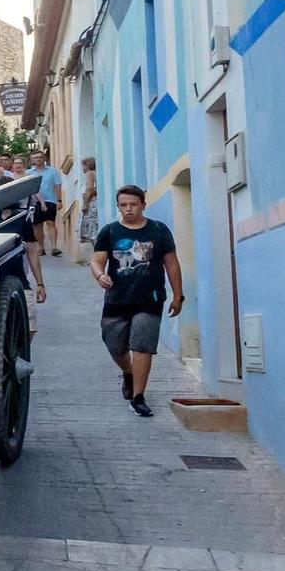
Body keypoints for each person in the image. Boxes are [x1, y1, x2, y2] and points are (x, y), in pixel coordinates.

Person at [91, 184, 183, 417]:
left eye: (133, 204)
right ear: (118, 207)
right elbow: (97, 261)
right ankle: (128, 372)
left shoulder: (159, 231)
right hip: (117, 298)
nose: (129, 209)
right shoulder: (109, 232)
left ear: (143, 204)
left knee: (142, 345)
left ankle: (138, 396)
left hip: (149, 298)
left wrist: (177, 295)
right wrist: (100, 275)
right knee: (115, 345)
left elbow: (171, 263)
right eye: (123, 205)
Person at [30, 152, 63, 255]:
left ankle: (54, 247)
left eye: (40, 157)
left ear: (44, 158)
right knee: (37, 225)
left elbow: (58, 186)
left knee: (50, 222)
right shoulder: (29, 173)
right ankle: (41, 247)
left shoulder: (52, 171)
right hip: (35, 202)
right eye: (36, 157)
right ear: (32, 160)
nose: (38, 159)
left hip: (50, 200)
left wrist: (59, 200)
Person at [77, 157, 99, 248]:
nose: (82, 168)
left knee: (91, 231)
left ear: (87, 165)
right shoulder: (96, 174)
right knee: (94, 230)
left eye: (83, 165)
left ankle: (96, 253)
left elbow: (89, 189)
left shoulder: (89, 173)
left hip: (91, 203)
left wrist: (85, 204)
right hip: (95, 203)